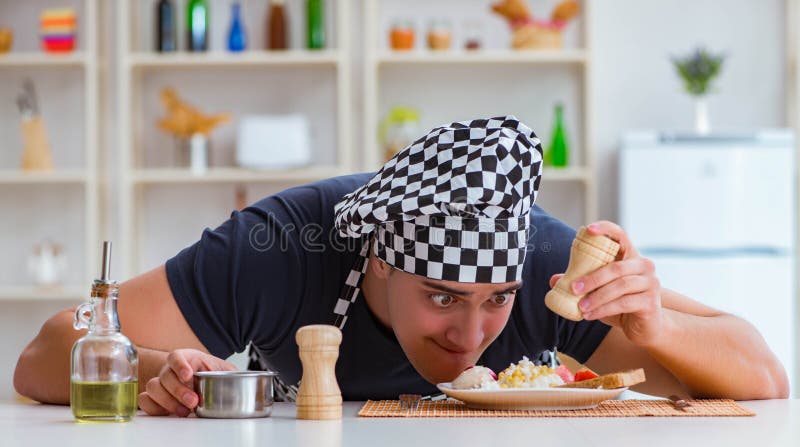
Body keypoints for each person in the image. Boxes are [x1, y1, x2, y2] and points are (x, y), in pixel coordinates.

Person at [15, 116, 788, 416]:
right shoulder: (279, 245)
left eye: (497, 299)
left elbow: (764, 375)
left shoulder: (550, 261)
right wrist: (161, 366)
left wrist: (651, 325)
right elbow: (44, 353)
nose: (472, 332)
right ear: (379, 257)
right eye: (443, 295)